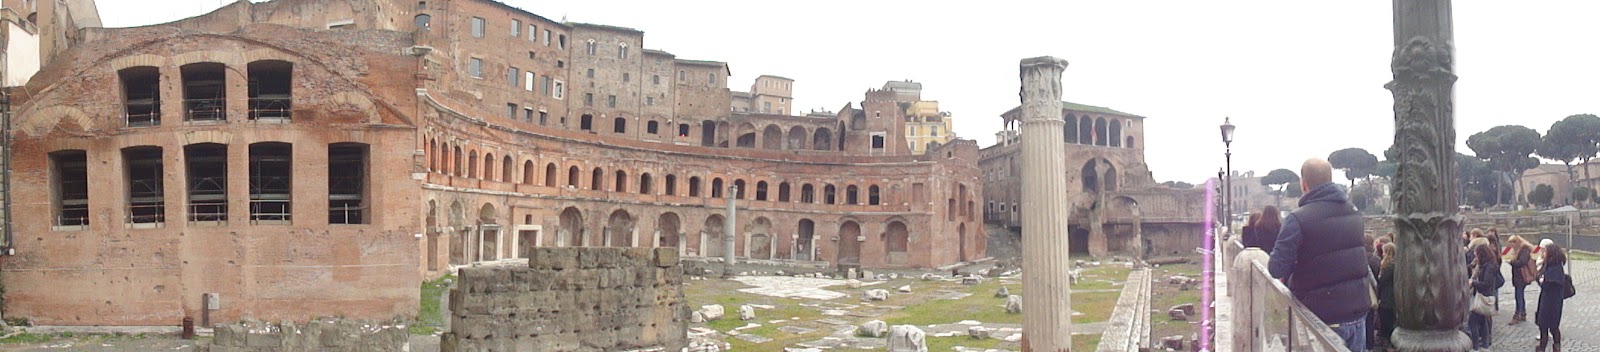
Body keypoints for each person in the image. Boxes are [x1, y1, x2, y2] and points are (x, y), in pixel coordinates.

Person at [1268, 158, 1371, 352]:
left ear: (1303, 183)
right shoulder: (1354, 212)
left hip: (1322, 317)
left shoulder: (1297, 219)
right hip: (1357, 314)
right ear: (1330, 180)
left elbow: (1276, 268)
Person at [1534, 243, 1570, 352]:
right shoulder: (1548, 265)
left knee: (1552, 326)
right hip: (1546, 300)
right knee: (1543, 326)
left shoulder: (1556, 268)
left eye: (1545, 252)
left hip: (1552, 303)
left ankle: (1554, 347)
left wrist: (1542, 281)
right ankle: (1542, 347)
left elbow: (1548, 284)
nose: (1543, 254)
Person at [1467, 239, 1500, 350]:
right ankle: (1485, 346)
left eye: (1477, 254)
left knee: (1473, 321)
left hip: (1484, 297)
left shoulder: (1489, 266)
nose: (1475, 256)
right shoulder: (1485, 264)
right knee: (1483, 321)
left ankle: (1476, 346)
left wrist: (1473, 283)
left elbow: (1486, 283)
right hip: (1483, 295)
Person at [1505, 235, 1534, 325]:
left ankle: (1518, 314)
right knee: (1520, 294)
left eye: (1513, 242)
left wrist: (1511, 262)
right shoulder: (1517, 250)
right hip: (1518, 276)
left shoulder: (1524, 249)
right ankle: (1523, 312)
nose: (1512, 245)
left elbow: (1522, 262)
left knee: (1519, 295)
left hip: (1521, 276)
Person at [1376, 242, 1398, 350]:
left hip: (1387, 298)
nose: (1382, 254)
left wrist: (1380, 272)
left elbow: (1381, 281)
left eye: (1384, 252)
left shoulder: (1389, 267)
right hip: (1393, 298)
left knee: (1387, 322)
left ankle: (1388, 345)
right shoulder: (1397, 264)